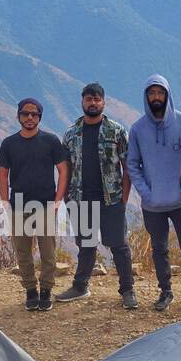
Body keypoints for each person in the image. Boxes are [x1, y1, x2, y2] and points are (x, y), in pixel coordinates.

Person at [127, 74, 181, 312]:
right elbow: (133, 164)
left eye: (160, 93)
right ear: (146, 97)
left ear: (167, 95)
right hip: (152, 204)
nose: (156, 97)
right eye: (151, 93)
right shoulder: (138, 129)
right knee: (159, 248)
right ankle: (165, 292)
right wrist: (146, 192)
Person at [57, 83, 137, 309]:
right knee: (86, 245)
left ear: (103, 102)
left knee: (119, 246)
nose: (93, 103)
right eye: (88, 99)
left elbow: (127, 165)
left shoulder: (116, 130)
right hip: (80, 198)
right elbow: (66, 168)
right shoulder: (71, 134)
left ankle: (127, 290)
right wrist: (66, 197)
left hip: (111, 198)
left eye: (97, 99)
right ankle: (80, 286)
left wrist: (124, 197)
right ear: (82, 102)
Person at [0, 97, 68, 311]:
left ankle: (46, 289)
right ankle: (30, 290)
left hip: (46, 204)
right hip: (18, 204)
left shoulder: (51, 141)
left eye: (34, 114)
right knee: (23, 251)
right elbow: (2, 174)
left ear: (39, 117)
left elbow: (63, 170)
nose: (29, 117)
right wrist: (4, 202)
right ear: (18, 115)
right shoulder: (9, 143)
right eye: (25, 113)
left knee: (48, 251)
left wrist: (58, 200)